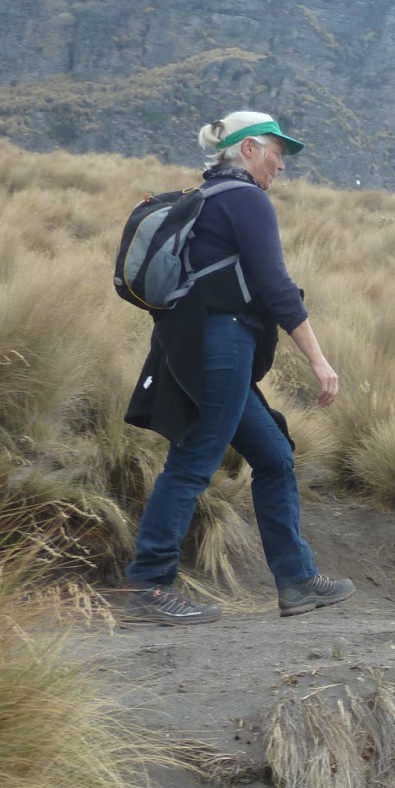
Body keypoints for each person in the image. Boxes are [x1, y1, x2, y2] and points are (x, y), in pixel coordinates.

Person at [116, 111, 354, 625]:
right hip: (221, 344)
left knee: (272, 455)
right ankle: (149, 585)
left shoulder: (206, 199)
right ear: (247, 150)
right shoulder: (246, 199)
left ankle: (296, 580)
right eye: (276, 152)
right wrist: (319, 360)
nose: (282, 166)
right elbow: (276, 286)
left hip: (202, 343)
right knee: (194, 460)